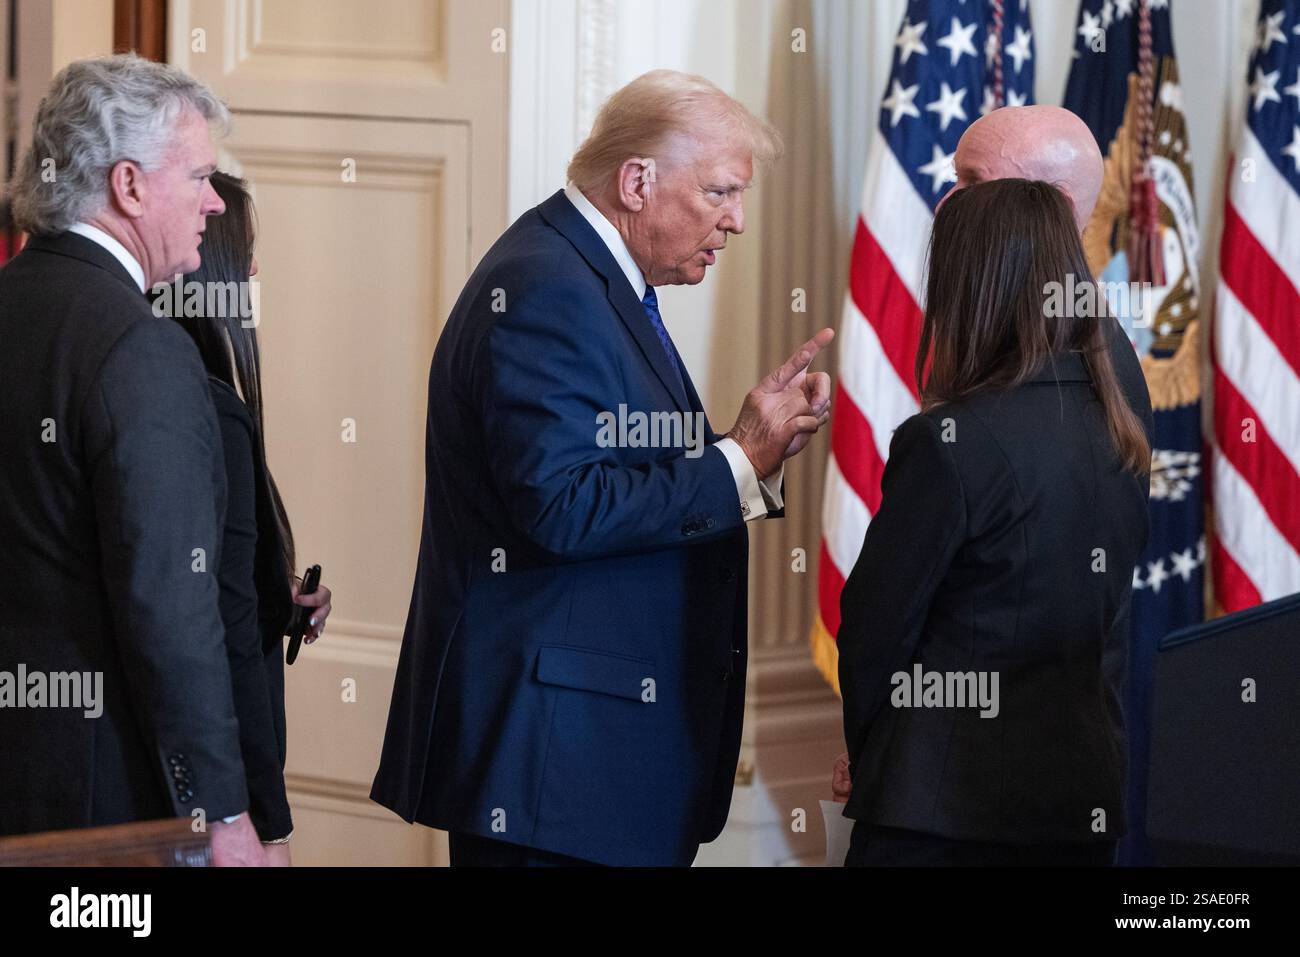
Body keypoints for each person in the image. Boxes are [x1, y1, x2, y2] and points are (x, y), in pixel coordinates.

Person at [371, 69, 834, 866]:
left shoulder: (592, 279)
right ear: (636, 180)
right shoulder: (549, 284)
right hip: (555, 768)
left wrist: (749, 453)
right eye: (721, 191)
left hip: (591, 764)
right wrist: (735, 459)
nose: (738, 220)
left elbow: (607, 476)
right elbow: (563, 505)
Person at [830, 104, 1155, 804]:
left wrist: (875, 752)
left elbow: (875, 631)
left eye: (971, 180)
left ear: (1042, 207)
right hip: (1074, 788)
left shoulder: (954, 442)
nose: (947, 201)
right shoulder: (1119, 367)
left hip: (945, 805)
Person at [0, 55, 259, 864]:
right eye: (200, 176)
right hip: (99, 807)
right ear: (130, 187)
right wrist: (222, 814)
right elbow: (169, 609)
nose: (215, 202)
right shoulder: (141, 349)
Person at [163, 171, 334, 866]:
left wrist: (278, 596)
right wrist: (269, 822)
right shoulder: (215, 411)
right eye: (247, 247)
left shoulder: (168, 380)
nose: (256, 266)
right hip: (215, 792)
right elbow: (224, 627)